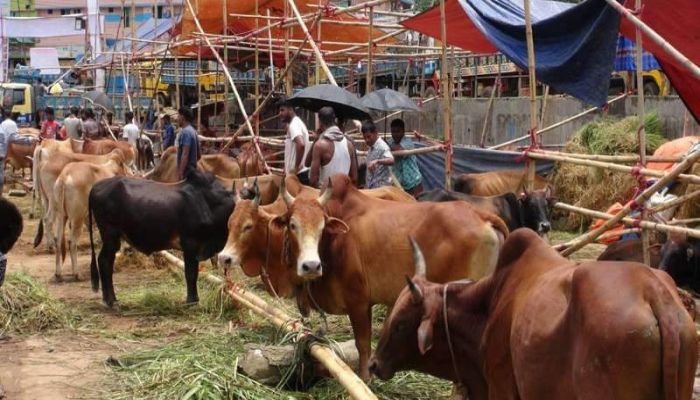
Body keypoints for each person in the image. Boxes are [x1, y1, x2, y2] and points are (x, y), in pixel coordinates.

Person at [308, 107, 357, 188]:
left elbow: (313, 180)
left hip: (326, 197)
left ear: (320, 122)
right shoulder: (349, 145)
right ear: (334, 120)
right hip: (344, 196)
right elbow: (354, 179)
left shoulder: (320, 146)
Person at [0, 108, 36, 195]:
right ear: (11, 116)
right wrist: (30, 139)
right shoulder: (11, 124)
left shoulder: (2, 124)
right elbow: (14, 138)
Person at [279, 100, 311, 184]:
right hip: (301, 173)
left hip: (298, 175)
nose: (280, 113)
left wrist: (296, 168)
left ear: (290, 109)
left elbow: (301, 144)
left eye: (282, 110)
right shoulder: (297, 122)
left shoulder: (293, 125)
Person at [389, 119, 423, 196]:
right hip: (398, 182)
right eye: (393, 131)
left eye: (398, 131)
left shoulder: (408, 141)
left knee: (418, 205)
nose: (395, 134)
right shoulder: (390, 142)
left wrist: (385, 146)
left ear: (403, 131)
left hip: (413, 181)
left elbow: (399, 150)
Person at [361, 120, 394, 189]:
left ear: (375, 133)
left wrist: (378, 161)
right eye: (364, 138)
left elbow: (391, 160)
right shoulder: (371, 148)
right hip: (373, 187)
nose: (367, 140)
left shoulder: (382, 146)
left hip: (382, 188)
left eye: (369, 136)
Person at [176, 107, 200, 180]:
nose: (177, 119)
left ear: (182, 117)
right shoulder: (193, 131)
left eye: (178, 116)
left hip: (187, 172)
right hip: (192, 170)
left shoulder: (185, 132)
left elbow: (185, 154)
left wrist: (181, 172)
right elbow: (199, 156)